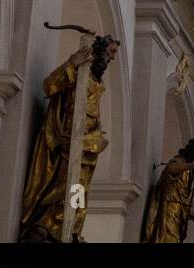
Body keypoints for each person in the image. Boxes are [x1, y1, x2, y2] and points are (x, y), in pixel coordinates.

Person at [19, 35, 120, 242]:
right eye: (111, 52)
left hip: (89, 144)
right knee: (64, 184)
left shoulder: (97, 80)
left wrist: (97, 129)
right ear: (99, 51)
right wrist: (71, 64)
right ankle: (49, 224)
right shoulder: (78, 73)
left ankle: (71, 228)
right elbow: (49, 86)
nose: (112, 58)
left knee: (80, 189)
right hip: (68, 140)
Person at [141, 137, 194, 243]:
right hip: (169, 208)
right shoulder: (180, 162)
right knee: (168, 238)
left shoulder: (190, 171)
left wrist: (193, 217)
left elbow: (184, 196)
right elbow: (171, 169)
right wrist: (193, 164)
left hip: (178, 213)